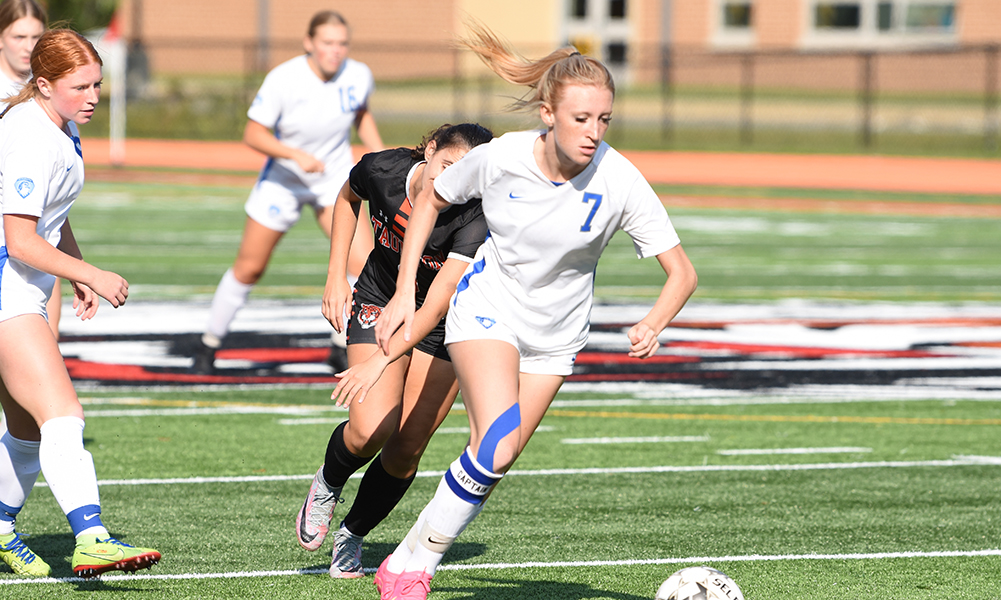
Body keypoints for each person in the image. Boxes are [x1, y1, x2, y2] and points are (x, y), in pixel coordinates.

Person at [371, 22, 699, 600]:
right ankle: (413, 573)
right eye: (581, 119)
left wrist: (654, 321)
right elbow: (429, 200)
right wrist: (403, 292)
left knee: (492, 461)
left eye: (604, 120)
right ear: (548, 113)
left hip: (556, 338)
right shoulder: (501, 158)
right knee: (496, 441)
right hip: (487, 309)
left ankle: (405, 555)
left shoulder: (620, 179)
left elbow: (682, 273)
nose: (594, 132)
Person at [295, 122, 493, 579]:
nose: (452, 183)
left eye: (467, 175)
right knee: (369, 430)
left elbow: (440, 296)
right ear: (429, 150)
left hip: (445, 320)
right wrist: (334, 276)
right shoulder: (383, 169)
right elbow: (347, 199)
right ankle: (328, 480)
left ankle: (354, 534)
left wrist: (382, 360)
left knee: (407, 447)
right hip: (380, 297)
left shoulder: (475, 215)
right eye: (446, 166)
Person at [0, 29, 161, 578]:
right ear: (43, 85)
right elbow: (20, 239)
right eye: (79, 86)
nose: (93, 96)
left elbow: (52, 215)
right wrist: (90, 271)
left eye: (97, 83)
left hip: (23, 286)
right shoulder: (28, 135)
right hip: (6, 288)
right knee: (63, 414)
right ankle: (91, 536)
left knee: (25, 427)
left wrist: (75, 269)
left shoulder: (59, 123)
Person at [193, 10, 383, 374]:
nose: (335, 51)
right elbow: (254, 134)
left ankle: (340, 343)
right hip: (283, 180)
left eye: (342, 43)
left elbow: (361, 114)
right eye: (327, 43)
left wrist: (381, 158)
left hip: (333, 180)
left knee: (363, 263)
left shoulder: (359, 75)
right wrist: (294, 155)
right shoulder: (284, 79)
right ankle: (208, 344)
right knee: (250, 268)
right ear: (309, 43)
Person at [0, 0, 59, 342]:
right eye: (19, 35)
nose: (28, 46)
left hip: (34, 243)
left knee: (48, 346)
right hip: (9, 250)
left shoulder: (50, 92)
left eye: (36, 36)